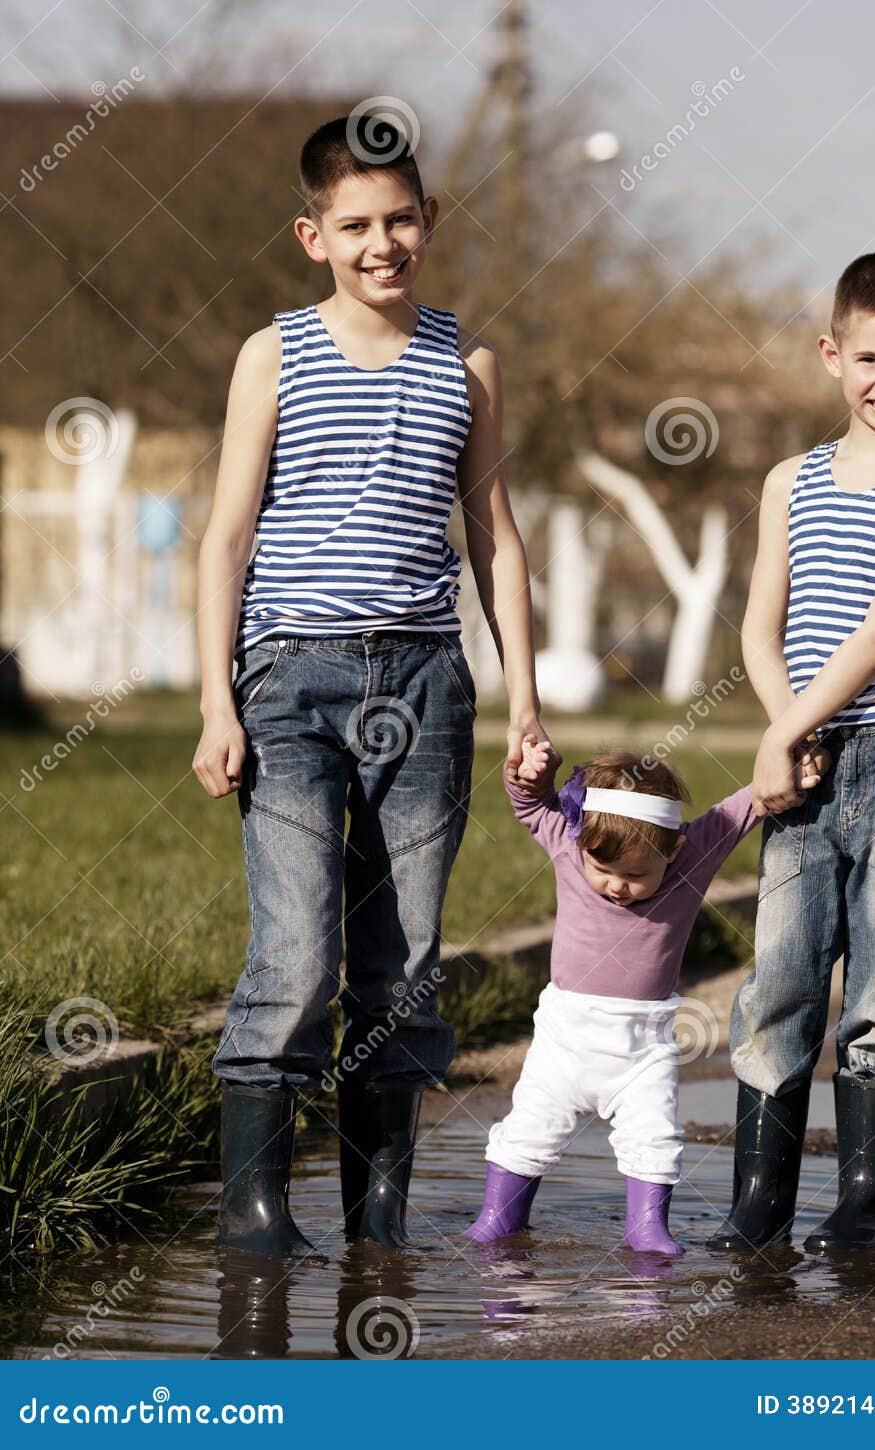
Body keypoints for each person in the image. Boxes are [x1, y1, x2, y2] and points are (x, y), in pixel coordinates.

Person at [192, 114, 552, 1255]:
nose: (381, 243)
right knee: (298, 953)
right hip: (288, 682)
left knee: (402, 967)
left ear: (429, 220)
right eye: (354, 226)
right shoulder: (273, 354)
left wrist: (525, 700)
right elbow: (228, 535)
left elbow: (494, 539)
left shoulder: (467, 362)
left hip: (426, 684)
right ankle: (255, 1211)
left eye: (399, 220)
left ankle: (377, 1219)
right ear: (314, 236)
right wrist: (215, 702)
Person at [710, 251, 875, 1255]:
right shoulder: (790, 481)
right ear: (831, 354)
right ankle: (757, 1209)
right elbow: (758, 628)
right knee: (779, 980)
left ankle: (864, 1210)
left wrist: (783, 734)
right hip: (809, 763)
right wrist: (792, 730)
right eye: (868, 358)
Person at [463, 740, 819, 1254]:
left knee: (654, 1137)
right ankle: (498, 1219)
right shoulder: (570, 841)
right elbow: (529, 805)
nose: (617, 886)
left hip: (642, 1047)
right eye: (604, 870)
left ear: (672, 851)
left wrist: (791, 766)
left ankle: (647, 1230)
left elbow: (747, 807)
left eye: (634, 875)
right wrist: (532, 774)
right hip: (565, 1038)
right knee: (529, 1130)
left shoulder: (691, 858)